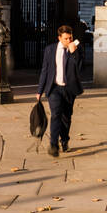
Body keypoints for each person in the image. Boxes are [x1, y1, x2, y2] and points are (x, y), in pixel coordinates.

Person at [36, 24, 84, 157]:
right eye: (66, 39)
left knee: (66, 117)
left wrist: (74, 53)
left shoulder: (76, 48)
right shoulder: (50, 50)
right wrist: (40, 90)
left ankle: (64, 141)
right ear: (59, 38)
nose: (69, 41)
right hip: (54, 88)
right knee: (56, 114)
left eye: (70, 38)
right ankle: (53, 144)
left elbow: (79, 67)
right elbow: (45, 71)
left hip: (69, 89)